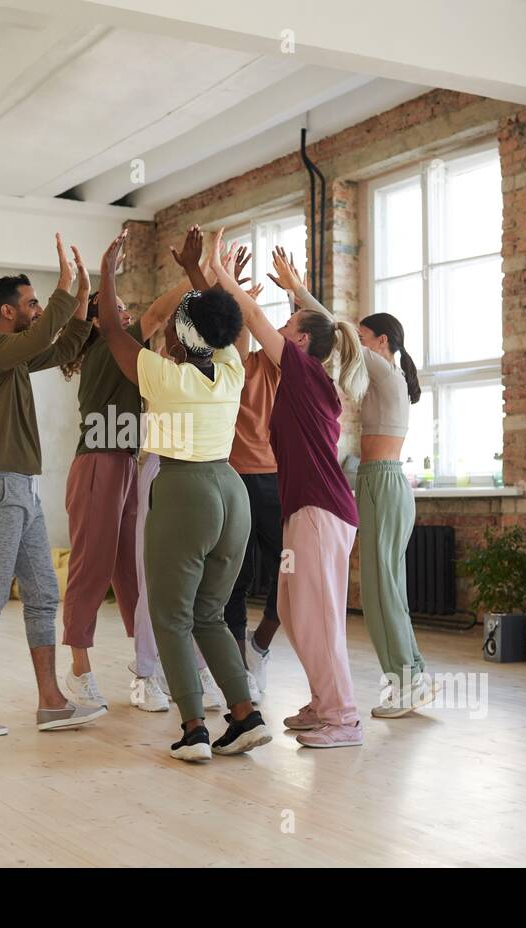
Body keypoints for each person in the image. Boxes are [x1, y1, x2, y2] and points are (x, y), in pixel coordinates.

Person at [95, 226, 271, 762]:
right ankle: (244, 716)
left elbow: (110, 329)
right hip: (230, 492)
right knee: (210, 613)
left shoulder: (165, 377)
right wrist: (201, 271)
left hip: (184, 489)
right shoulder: (231, 368)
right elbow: (220, 320)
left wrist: (107, 272)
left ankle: (194, 729)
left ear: (182, 335)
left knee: (171, 615)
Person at [0, 234, 106, 736]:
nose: (38, 310)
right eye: (32, 302)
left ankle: (52, 701)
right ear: (7, 312)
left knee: (41, 596)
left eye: (41, 302)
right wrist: (64, 286)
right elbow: (40, 340)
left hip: (23, 491)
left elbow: (63, 347)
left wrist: (78, 303)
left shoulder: (14, 356)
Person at [265, 249, 439, 719]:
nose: (355, 344)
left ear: (381, 341)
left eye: (363, 337)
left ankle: (407, 678)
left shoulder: (386, 368)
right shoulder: (386, 378)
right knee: (389, 585)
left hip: (382, 482)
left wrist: (298, 291)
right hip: (379, 481)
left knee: (382, 587)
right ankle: (412, 674)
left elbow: (329, 332)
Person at [210, 235, 365, 746]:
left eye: (287, 326)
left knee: (316, 615)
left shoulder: (302, 372)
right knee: (296, 610)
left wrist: (219, 272)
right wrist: (296, 292)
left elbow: (253, 318)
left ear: (298, 344)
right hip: (307, 511)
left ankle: (341, 718)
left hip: (321, 511)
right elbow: (278, 326)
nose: (278, 329)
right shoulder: (307, 374)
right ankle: (324, 702)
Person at [55, 278, 196, 710]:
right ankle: (79, 670)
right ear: (98, 322)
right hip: (98, 463)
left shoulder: (128, 353)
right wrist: (194, 272)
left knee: (134, 573)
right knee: (90, 567)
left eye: (125, 306)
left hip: (125, 464)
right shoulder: (105, 349)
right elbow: (156, 315)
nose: (127, 313)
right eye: (116, 308)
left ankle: (146, 669)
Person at [223, 249, 284, 704]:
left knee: (289, 573)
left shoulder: (283, 367)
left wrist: (238, 290)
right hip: (235, 481)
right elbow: (244, 333)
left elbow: (312, 325)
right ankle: (237, 658)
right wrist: (232, 290)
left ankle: (260, 644)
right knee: (236, 578)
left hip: (273, 482)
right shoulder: (233, 366)